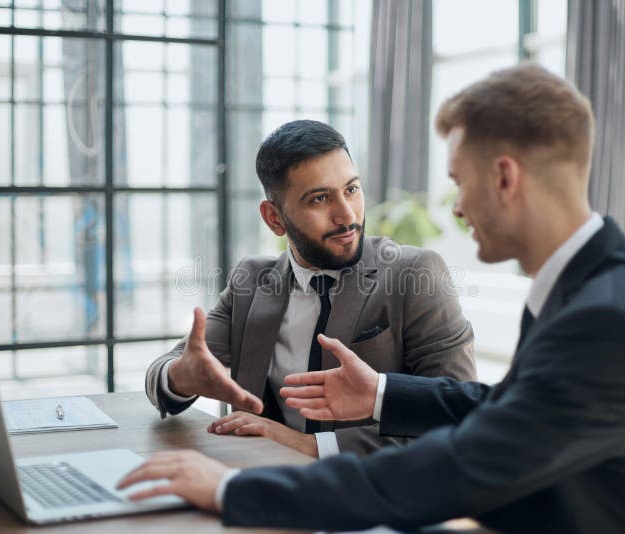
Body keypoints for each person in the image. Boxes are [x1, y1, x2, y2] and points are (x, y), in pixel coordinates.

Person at [121, 65, 625, 533]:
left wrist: (231, 487)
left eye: (459, 180)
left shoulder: (604, 318)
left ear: (504, 178)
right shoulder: (591, 290)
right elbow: (504, 409)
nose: (457, 207)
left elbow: (457, 467)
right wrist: (383, 394)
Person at [144, 119, 476, 459]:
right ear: (274, 218)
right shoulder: (251, 282)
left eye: (351, 189)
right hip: (260, 486)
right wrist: (180, 376)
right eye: (320, 199)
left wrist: (310, 446)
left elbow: (458, 417)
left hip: (374, 497)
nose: (347, 216)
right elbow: (163, 372)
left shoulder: (415, 274)